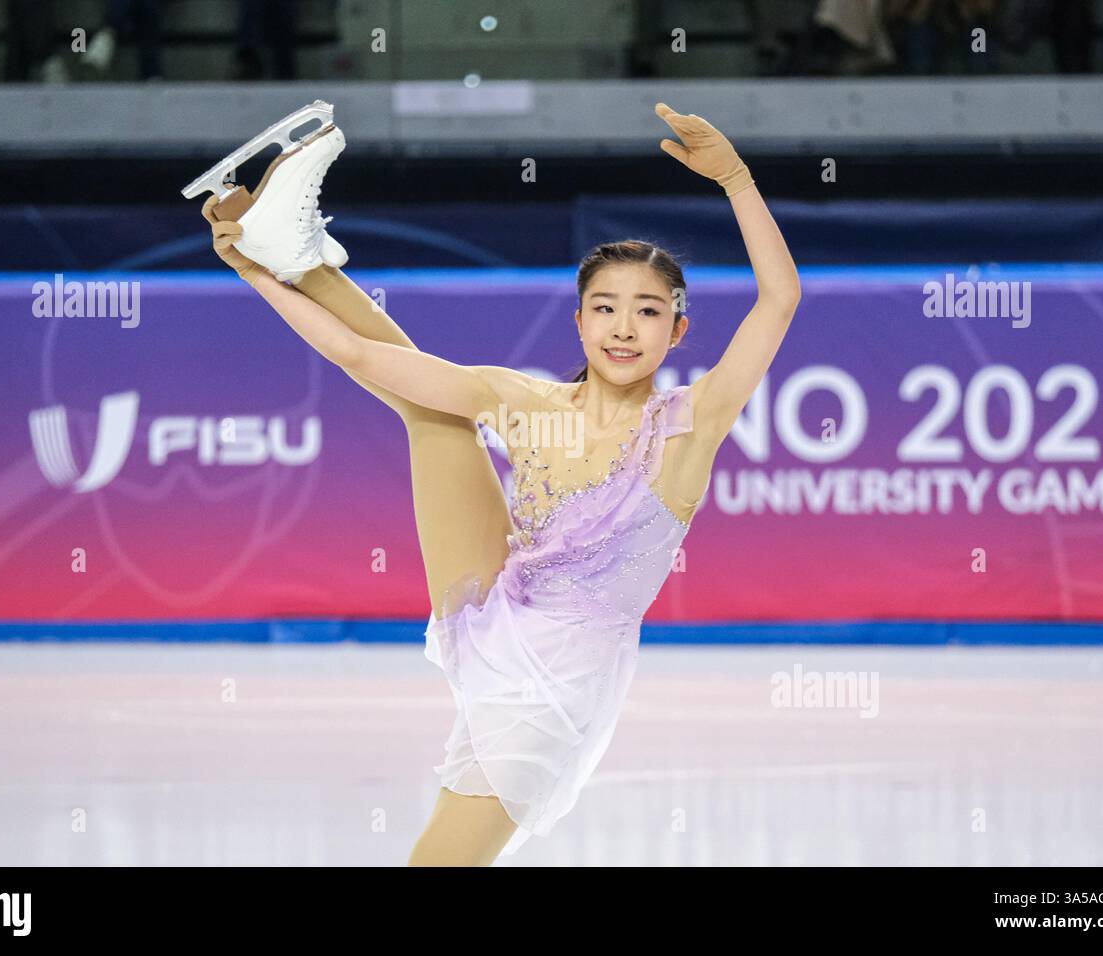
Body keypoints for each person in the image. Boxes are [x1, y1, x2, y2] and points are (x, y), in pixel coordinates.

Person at [198, 103, 802, 865]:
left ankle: (297, 252)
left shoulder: (690, 424)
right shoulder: (519, 398)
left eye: (647, 312)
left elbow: (780, 300)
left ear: (676, 332)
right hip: (496, 608)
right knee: (433, 415)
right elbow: (358, 355)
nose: (624, 328)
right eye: (606, 309)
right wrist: (256, 271)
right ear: (579, 323)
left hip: (552, 692)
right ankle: (298, 253)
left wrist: (737, 180)